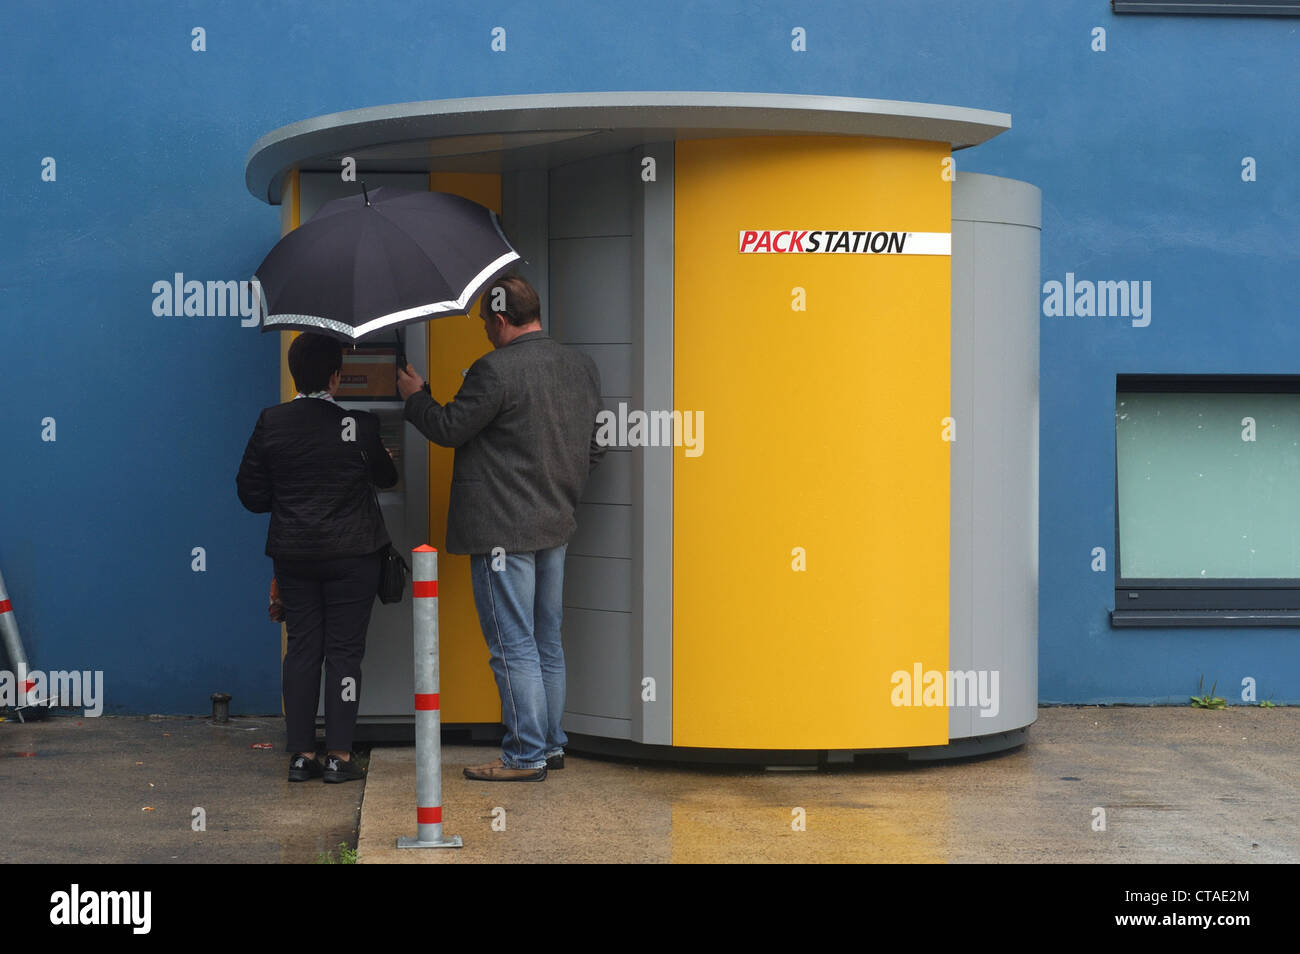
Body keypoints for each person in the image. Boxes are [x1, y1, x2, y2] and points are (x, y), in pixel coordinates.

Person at [397, 274, 604, 781]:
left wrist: (415, 396)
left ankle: (525, 756)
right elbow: (595, 446)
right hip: (555, 523)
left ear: (502, 319)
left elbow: (448, 428)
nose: (486, 331)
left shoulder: (495, 370)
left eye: (488, 321)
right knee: (545, 641)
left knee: (512, 645)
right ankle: (551, 745)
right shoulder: (580, 365)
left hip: (502, 533)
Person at [237, 332, 398, 783]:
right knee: (344, 653)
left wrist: (290, 500)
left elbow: (249, 494)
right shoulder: (360, 424)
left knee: (303, 649)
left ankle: (302, 755)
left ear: (294, 374)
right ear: (335, 375)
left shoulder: (272, 421)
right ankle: (340, 758)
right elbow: (388, 477)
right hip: (354, 555)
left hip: (295, 554)